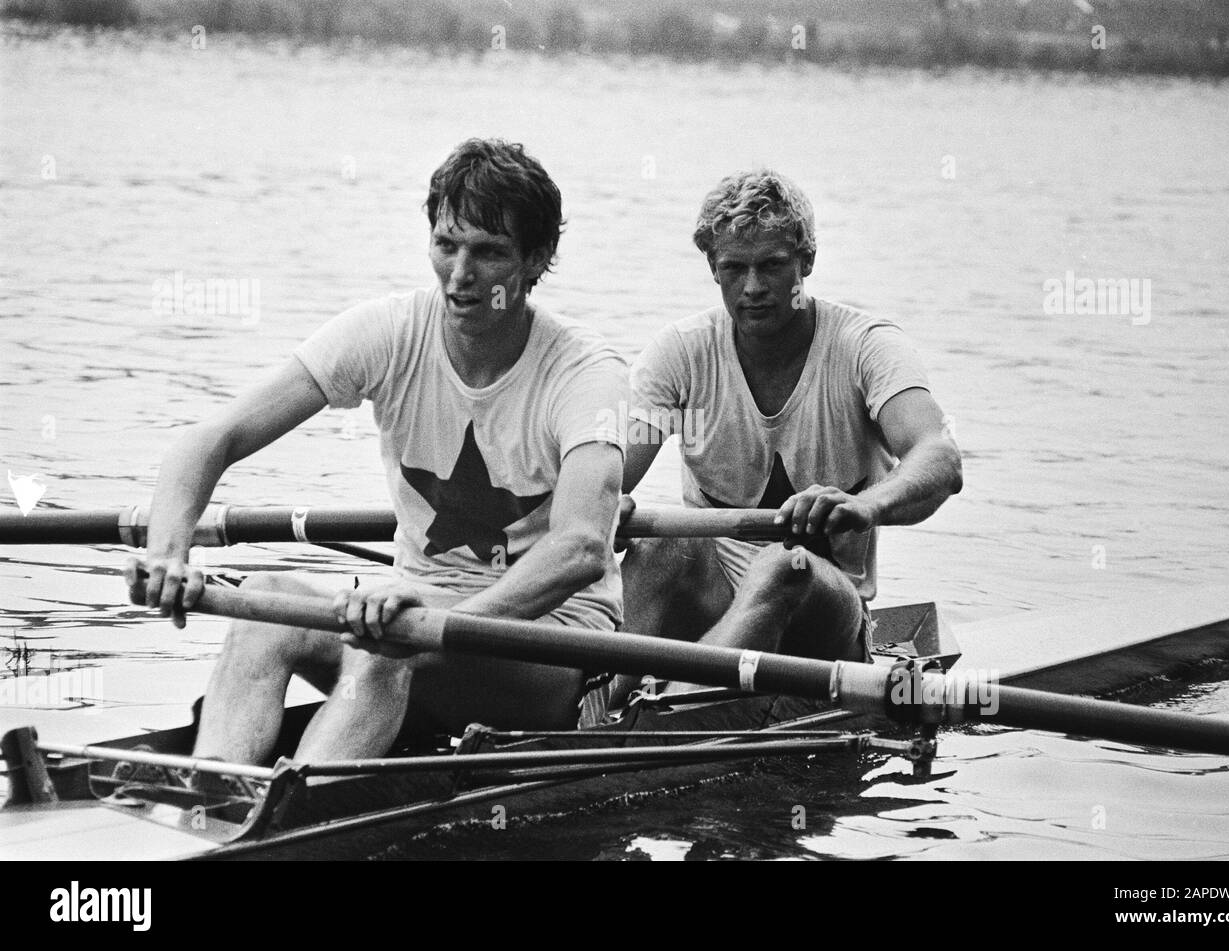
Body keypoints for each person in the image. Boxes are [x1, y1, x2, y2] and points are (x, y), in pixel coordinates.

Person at [125, 139, 628, 766]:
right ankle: (214, 793)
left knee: (385, 643)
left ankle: (297, 813)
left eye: (488, 252)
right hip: (413, 619)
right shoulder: (392, 332)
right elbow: (213, 439)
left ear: (537, 258)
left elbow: (580, 549)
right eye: (447, 245)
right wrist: (167, 556)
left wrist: (435, 631)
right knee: (266, 603)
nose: (461, 274)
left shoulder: (585, 372)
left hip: (552, 653)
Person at [614, 170, 962, 700]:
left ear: (807, 262)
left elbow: (939, 458)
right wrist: (596, 506)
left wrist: (866, 505)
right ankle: (609, 704)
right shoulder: (681, 353)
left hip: (824, 618)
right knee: (664, 545)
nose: (753, 288)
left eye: (772, 266)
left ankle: (670, 710)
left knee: (786, 564)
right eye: (734, 268)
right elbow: (610, 472)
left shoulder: (865, 346)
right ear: (713, 268)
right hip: (715, 598)